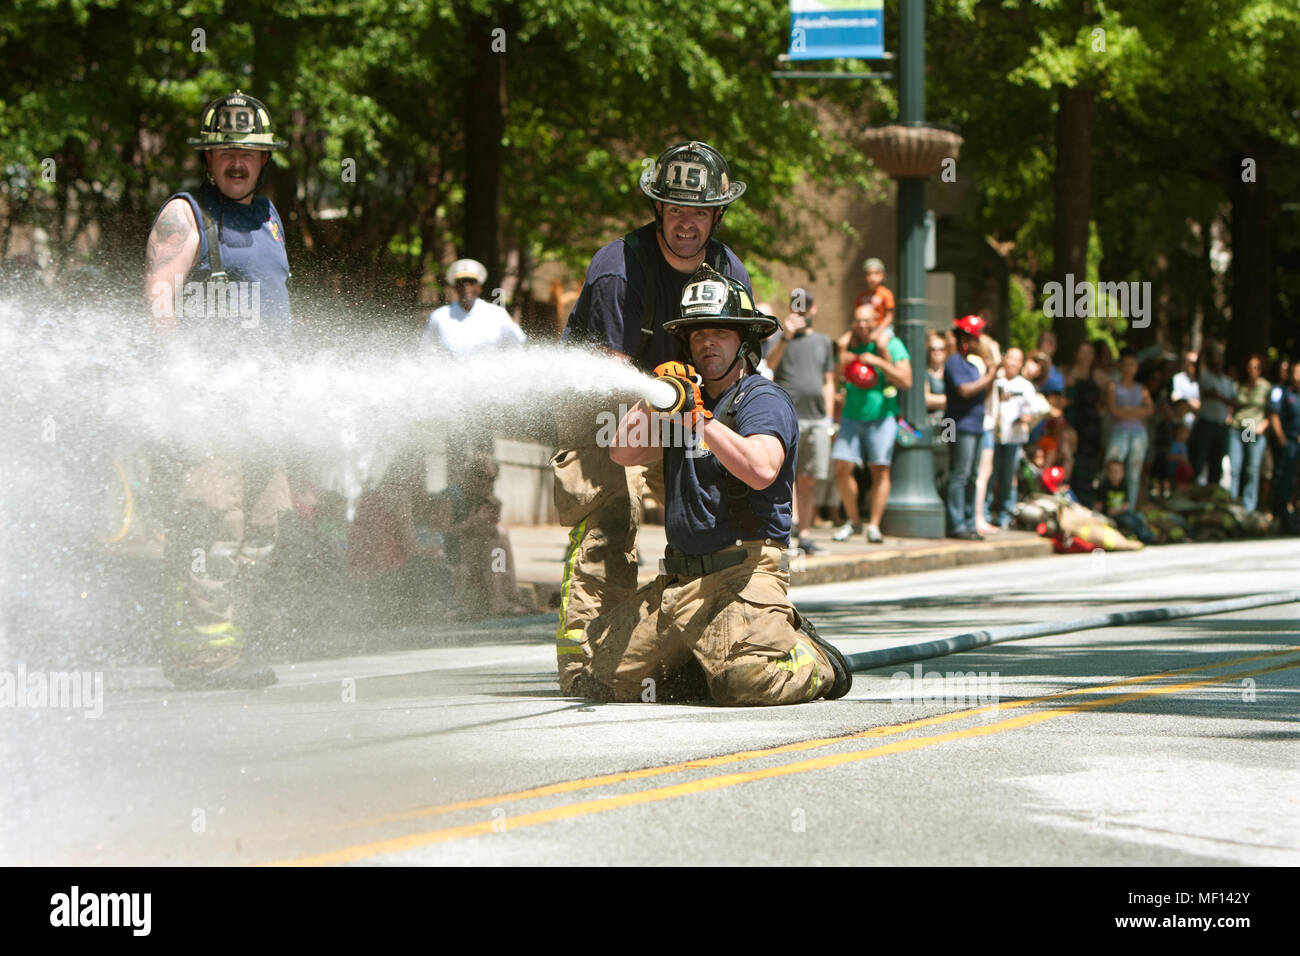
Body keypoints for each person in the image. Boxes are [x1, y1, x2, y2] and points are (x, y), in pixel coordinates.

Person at [569, 265, 852, 705]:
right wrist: (657, 396)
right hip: (680, 581)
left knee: (746, 681)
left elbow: (761, 469)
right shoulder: (682, 400)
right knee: (603, 680)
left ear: (744, 340)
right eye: (698, 333)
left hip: (745, 571)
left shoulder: (761, 399)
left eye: (720, 332)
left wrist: (698, 420)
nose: (707, 342)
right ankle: (705, 661)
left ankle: (813, 659)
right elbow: (623, 452)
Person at [553, 142, 751, 694]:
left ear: (717, 214)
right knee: (609, 529)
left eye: (699, 212)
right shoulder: (619, 269)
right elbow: (617, 381)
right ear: (657, 211)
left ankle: (715, 643)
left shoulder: (727, 268)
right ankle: (582, 667)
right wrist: (664, 395)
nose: (687, 223)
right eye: (675, 210)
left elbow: (743, 361)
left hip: (684, 404)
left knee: (715, 519)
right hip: (601, 408)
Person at [143, 91, 293, 688]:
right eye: (225, 151)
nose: (237, 162)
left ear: (263, 161)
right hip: (210, 411)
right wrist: (181, 387)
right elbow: (160, 299)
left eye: (249, 152)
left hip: (265, 413)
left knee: (263, 529)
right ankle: (203, 656)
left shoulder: (269, 216)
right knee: (210, 526)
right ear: (207, 158)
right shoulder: (185, 215)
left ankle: (234, 645)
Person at [830, 304, 912, 543]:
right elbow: (836, 380)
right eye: (858, 321)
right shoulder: (849, 344)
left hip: (883, 417)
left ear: (876, 321)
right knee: (842, 466)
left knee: (880, 469)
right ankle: (854, 521)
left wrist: (879, 361)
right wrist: (842, 357)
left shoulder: (891, 344)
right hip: (851, 416)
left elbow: (906, 380)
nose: (863, 326)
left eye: (868, 321)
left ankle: (874, 525)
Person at [763, 288, 836, 554]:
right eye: (796, 307)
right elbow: (769, 365)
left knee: (808, 479)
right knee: (785, 477)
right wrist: (785, 337)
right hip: (787, 418)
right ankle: (785, 535)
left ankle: (804, 535)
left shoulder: (823, 341)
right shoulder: (781, 338)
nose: (801, 312)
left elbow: (829, 380)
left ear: (813, 309)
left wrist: (829, 417)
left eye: (805, 307)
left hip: (817, 419)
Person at [943, 315, 997, 540]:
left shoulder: (972, 364)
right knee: (960, 473)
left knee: (972, 475)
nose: (977, 343)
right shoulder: (954, 361)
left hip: (974, 425)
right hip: (956, 425)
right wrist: (990, 375)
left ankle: (968, 522)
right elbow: (965, 390)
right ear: (964, 339)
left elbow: (983, 390)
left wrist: (989, 375)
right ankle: (956, 524)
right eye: (974, 338)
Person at [420, 258, 525, 358]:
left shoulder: (497, 314)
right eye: (461, 282)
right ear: (455, 287)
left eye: (471, 282)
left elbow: (519, 341)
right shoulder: (439, 316)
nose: (466, 286)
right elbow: (425, 350)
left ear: (479, 287)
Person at [991, 348, 1040, 529]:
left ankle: (1006, 515)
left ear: (1021, 363)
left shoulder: (1025, 386)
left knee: (1008, 476)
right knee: (990, 475)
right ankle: (987, 513)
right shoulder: (996, 382)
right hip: (995, 436)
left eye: (1016, 360)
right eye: (1009, 358)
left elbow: (1034, 410)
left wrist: (1026, 418)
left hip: (1014, 437)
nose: (1012, 363)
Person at [1103, 348, 1154, 508]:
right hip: (1119, 432)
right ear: (1120, 366)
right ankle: (1106, 505)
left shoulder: (1142, 389)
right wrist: (1137, 412)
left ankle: (1128, 508)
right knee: (1111, 468)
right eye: (1125, 364)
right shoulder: (1113, 386)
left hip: (1138, 434)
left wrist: (1125, 411)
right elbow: (1113, 410)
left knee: (1133, 473)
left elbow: (1149, 409)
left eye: (1132, 364)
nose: (1129, 368)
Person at [1227, 353, 1270, 513]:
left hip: (1253, 427)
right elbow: (1233, 404)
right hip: (1238, 426)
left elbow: (1272, 412)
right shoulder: (1240, 385)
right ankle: (1231, 505)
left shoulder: (1265, 387)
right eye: (1250, 366)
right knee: (1235, 467)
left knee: (1251, 468)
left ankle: (1249, 506)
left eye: (1256, 367)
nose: (1252, 370)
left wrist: (1263, 426)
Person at [1189, 341, 1236, 487]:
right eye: (1215, 356)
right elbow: (1209, 393)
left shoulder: (1228, 381)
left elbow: (1235, 402)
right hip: (1206, 423)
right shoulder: (1204, 375)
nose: (1218, 360)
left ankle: (1212, 491)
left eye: (1220, 356)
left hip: (1222, 425)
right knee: (1198, 459)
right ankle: (1192, 489)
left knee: (1217, 463)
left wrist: (1219, 396)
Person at [1266, 360, 1300, 530]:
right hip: (1247, 428)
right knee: (1283, 478)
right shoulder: (1280, 391)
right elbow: (1272, 415)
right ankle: (1280, 515)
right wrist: (1283, 441)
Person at [853, 257, 895, 340]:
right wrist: (854, 333)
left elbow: (889, 316)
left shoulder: (886, 294)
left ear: (882, 275)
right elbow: (856, 316)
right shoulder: (862, 296)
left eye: (876, 273)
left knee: (881, 344)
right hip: (864, 329)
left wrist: (878, 332)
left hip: (882, 328)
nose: (872, 277)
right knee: (842, 342)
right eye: (869, 274)